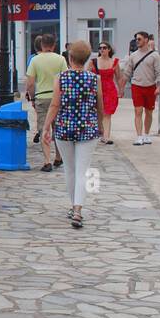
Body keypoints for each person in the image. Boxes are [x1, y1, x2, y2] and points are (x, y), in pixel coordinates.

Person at [43, 39, 104, 229]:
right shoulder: (95, 79)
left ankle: (73, 206)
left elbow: (55, 105)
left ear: (70, 57)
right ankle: (78, 209)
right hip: (87, 128)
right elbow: (99, 105)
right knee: (83, 170)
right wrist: (101, 126)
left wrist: (46, 127)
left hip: (64, 128)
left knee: (70, 169)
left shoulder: (60, 78)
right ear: (87, 59)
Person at [24, 33, 66, 172]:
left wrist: (32, 97)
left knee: (44, 128)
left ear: (41, 44)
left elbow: (30, 83)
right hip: (58, 98)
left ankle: (47, 160)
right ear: (54, 45)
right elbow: (65, 79)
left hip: (41, 97)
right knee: (58, 128)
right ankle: (59, 157)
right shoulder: (61, 59)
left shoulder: (35, 60)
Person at [124, 30, 160, 145]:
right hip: (137, 86)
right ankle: (139, 136)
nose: (137, 41)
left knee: (149, 112)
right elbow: (127, 72)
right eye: (136, 39)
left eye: (139, 39)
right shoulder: (133, 56)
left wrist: (159, 86)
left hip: (150, 86)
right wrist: (121, 88)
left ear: (146, 40)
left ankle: (146, 135)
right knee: (138, 111)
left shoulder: (155, 55)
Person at [88, 41, 122, 144]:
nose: (102, 50)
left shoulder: (115, 62)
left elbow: (119, 77)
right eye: (100, 48)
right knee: (98, 114)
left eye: (104, 47)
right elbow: (87, 77)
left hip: (110, 90)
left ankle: (106, 136)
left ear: (109, 49)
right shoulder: (93, 62)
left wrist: (120, 90)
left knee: (107, 114)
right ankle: (100, 133)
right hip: (96, 90)